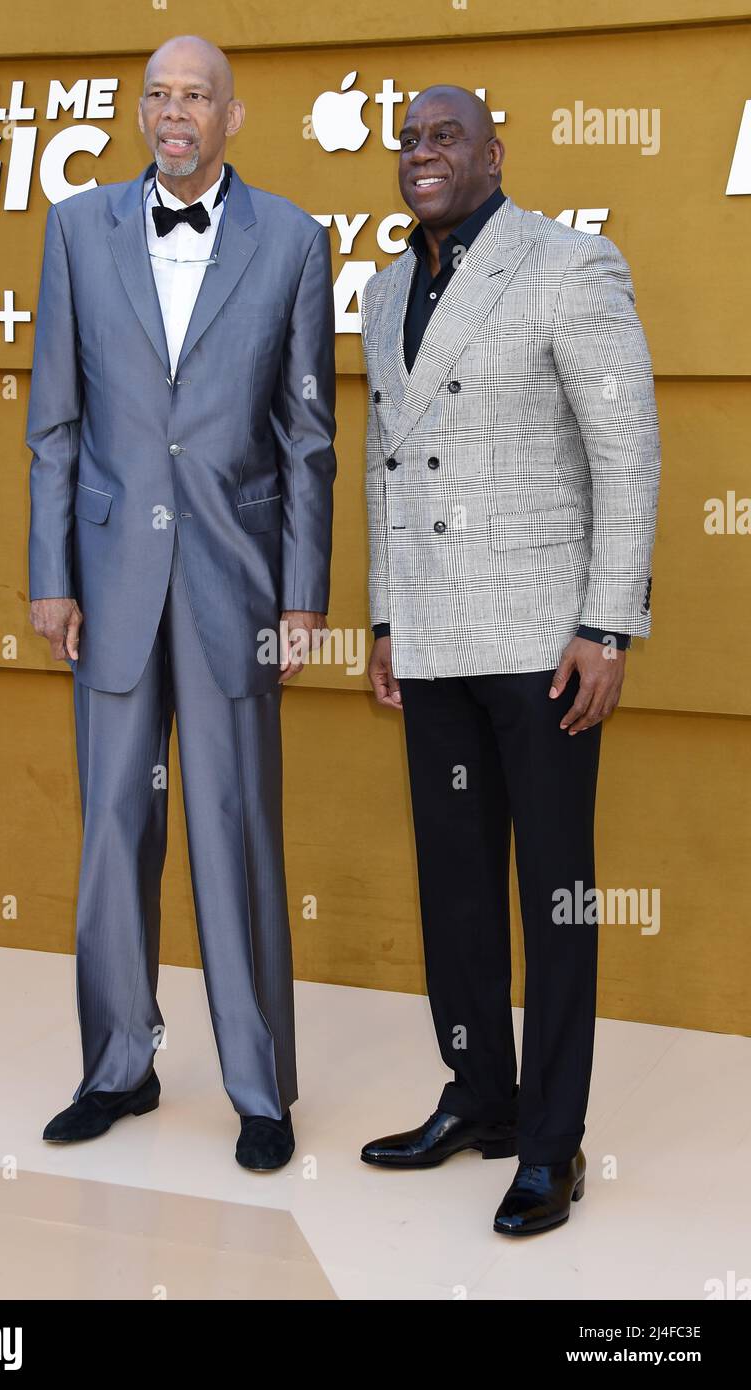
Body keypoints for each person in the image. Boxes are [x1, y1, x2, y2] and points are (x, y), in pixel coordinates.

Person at [27, 35, 336, 1170]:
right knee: (112, 826)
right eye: (157, 95)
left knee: (235, 828)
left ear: (230, 117)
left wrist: (303, 595)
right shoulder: (74, 231)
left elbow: (309, 440)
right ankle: (119, 1065)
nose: (174, 112)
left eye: (195, 96)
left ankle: (259, 1087)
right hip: (106, 583)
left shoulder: (294, 241)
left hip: (233, 581)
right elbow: (54, 419)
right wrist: (50, 573)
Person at [360, 85, 659, 1234]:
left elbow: (626, 451)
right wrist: (385, 619)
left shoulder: (568, 264)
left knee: (554, 894)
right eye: (407, 140)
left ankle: (551, 1141)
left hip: (543, 641)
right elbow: (389, 474)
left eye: (443, 136)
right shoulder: (389, 288)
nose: (419, 153)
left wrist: (607, 625)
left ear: (491, 153)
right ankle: (479, 1094)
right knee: (455, 892)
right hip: (433, 640)